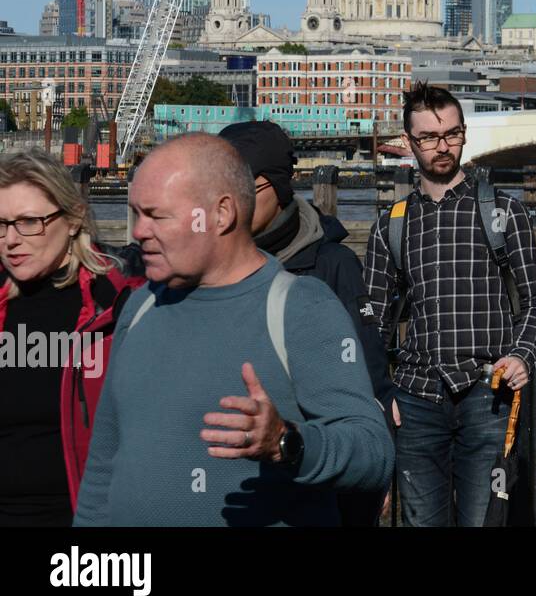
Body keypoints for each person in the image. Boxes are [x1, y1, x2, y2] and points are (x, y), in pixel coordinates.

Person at [73, 134, 393, 526]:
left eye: (157, 215)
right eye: (136, 213)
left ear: (221, 214)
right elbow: (105, 462)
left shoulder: (301, 307)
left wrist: (286, 442)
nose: (138, 231)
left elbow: (373, 452)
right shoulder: (140, 306)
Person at [361, 83, 536, 527]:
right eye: (428, 137)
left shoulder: (504, 212)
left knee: (485, 520)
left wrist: (522, 355)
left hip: (488, 393)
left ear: (464, 135)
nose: (441, 146)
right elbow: (372, 320)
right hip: (415, 399)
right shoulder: (391, 225)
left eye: (451, 134)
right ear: (410, 143)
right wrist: (379, 390)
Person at [219, 120, 394, 526]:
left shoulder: (333, 265)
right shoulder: (211, 266)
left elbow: (370, 374)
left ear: (278, 189)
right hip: (233, 474)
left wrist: (376, 469)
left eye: (244, 191)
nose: (228, 207)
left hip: (315, 475)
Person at [0, 150, 144, 526]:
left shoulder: (118, 307)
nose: (11, 240)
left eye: (29, 222)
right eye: (1, 224)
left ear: (74, 218)